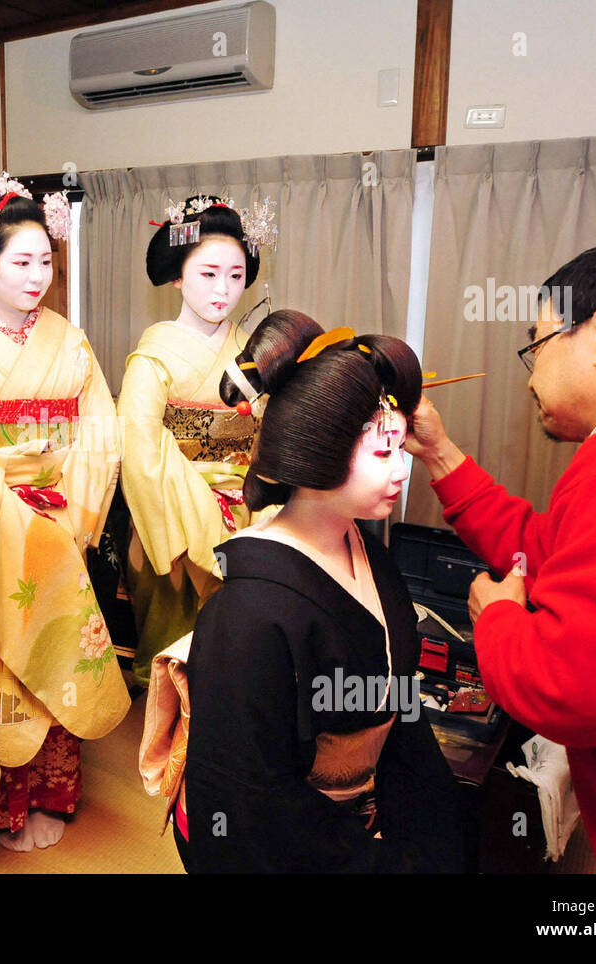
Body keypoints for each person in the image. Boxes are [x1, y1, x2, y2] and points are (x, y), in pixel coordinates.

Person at [405, 240, 596, 873]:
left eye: (537, 345)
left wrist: (497, 618)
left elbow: (575, 686)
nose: (529, 376)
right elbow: (547, 551)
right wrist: (438, 454)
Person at [179, 310, 465, 872]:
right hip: (293, 840)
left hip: (366, 814)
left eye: (400, 448)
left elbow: (400, 705)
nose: (401, 470)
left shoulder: (371, 553)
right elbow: (248, 803)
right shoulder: (247, 615)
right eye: (383, 453)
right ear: (316, 451)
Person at [0, 176, 129, 851]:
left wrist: (78, 509)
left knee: (60, 651)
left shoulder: (69, 340)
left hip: (66, 524)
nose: (38, 275)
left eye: (46, 261)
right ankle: (7, 804)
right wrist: (13, 524)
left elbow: (100, 425)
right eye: (21, 261)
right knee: (7, 661)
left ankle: (58, 792)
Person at [118, 196, 277, 684]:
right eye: (208, 273)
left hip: (249, 506)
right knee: (179, 650)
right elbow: (139, 451)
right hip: (172, 512)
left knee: (245, 649)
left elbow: (271, 433)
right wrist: (195, 514)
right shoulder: (153, 357)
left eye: (235, 274)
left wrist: (265, 499)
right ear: (177, 276)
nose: (223, 289)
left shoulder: (255, 352)